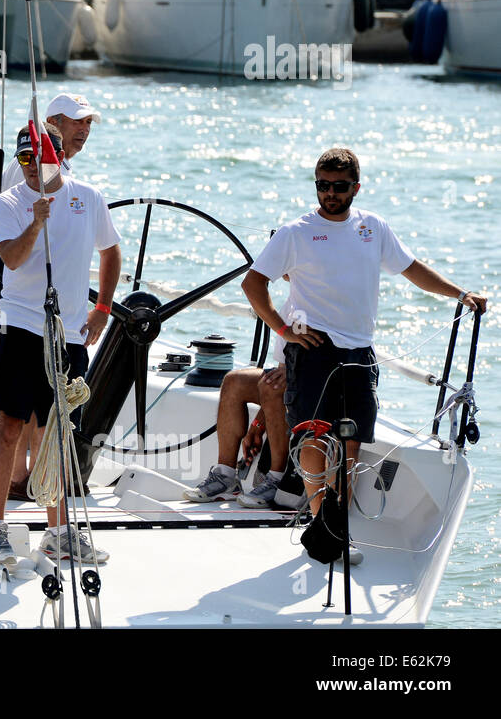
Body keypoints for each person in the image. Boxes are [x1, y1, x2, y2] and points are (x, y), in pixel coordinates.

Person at [242, 148, 487, 557]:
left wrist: (460, 294)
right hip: (315, 350)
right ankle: (322, 526)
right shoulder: (294, 232)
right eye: (322, 185)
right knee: (315, 441)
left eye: (339, 187)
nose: (330, 194)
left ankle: (337, 528)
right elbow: (254, 284)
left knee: (351, 444)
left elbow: (411, 268)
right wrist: (283, 329)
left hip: (360, 353)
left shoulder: (373, 227)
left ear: (356, 187)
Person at [0, 126, 122, 567]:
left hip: (69, 334)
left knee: (57, 434)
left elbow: (111, 251)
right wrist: (37, 219)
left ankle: (58, 531)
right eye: (24, 161)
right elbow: (12, 258)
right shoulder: (7, 204)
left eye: (39, 158)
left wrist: (102, 308)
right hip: (21, 327)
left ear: (60, 156)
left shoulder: (89, 197)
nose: (32, 168)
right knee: (9, 426)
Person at [0, 93, 103, 501]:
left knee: (46, 400)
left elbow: (104, 246)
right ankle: (21, 476)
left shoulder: (75, 181)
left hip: (58, 298)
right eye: (76, 122)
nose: (84, 130)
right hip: (23, 287)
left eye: (88, 123)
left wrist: (100, 307)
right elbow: (6, 228)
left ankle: (34, 478)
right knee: (23, 403)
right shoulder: (24, 169)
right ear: (52, 123)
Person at [183, 363, 291, 508]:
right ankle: (225, 476)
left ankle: (277, 480)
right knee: (233, 381)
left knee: (277, 384)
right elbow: (282, 367)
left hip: (321, 377)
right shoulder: (285, 339)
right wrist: (257, 425)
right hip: (293, 376)